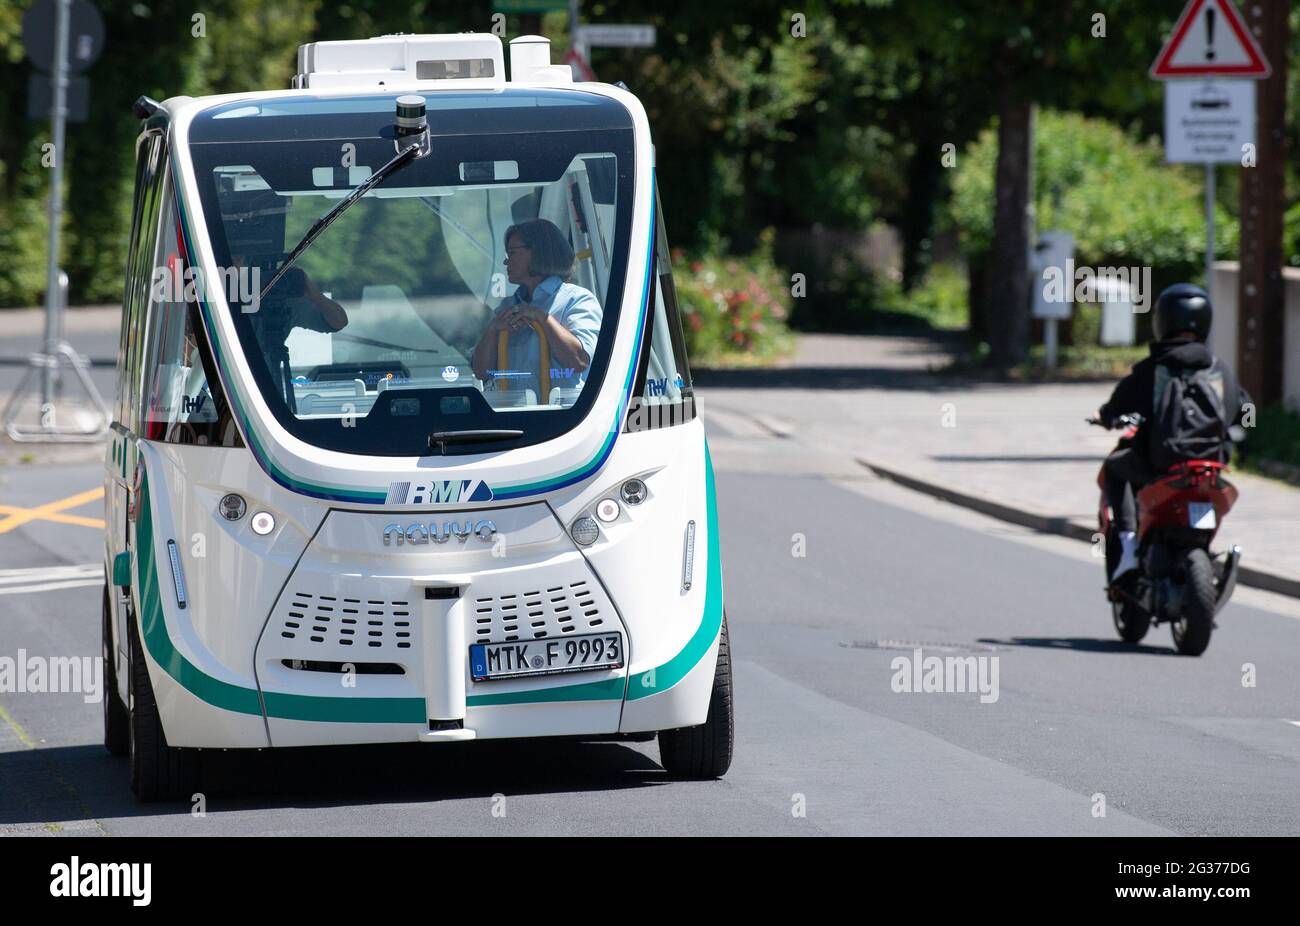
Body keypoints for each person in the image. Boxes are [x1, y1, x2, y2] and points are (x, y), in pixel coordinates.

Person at [1098, 283, 1250, 582]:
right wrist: (1250, 430)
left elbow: (1116, 406)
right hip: (1212, 466)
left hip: (1160, 464)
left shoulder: (1152, 368)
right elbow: (1246, 410)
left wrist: (1105, 417)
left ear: (1162, 321)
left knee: (1115, 468)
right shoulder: (1220, 369)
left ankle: (1128, 544)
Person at [470, 218, 601, 399]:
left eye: (512, 253)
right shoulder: (507, 307)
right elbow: (481, 372)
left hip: (566, 417)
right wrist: (493, 330)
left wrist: (542, 318)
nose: (506, 262)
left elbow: (580, 361)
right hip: (512, 416)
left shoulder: (577, 299)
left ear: (539, 252)